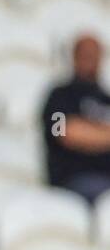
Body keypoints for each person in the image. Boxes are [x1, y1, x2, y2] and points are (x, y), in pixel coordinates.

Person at [42, 34, 110, 203]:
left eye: (95, 54)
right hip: (74, 182)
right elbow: (64, 132)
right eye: (85, 53)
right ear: (74, 56)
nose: (90, 59)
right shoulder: (59, 95)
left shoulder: (106, 98)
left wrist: (91, 133)